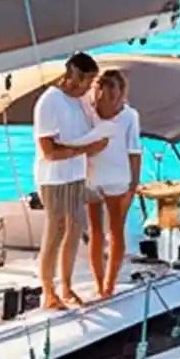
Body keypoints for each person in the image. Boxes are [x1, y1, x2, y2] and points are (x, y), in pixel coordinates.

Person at [33, 52, 108, 309]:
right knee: (56, 230)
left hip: (76, 175)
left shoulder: (81, 102)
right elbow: (49, 151)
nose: (88, 86)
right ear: (73, 77)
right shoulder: (50, 102)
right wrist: (85, 149)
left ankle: (66, 286)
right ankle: (48, 290)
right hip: (54, 179)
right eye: (86, 81)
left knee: (75, 229)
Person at [82, 68, 142, 298]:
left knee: (114, 231)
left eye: (111, 87)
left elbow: (134, 151)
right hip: (93, 177)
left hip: (117, 179)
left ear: (121, 91)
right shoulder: (88, 111)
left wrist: (133, 184)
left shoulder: (128, 116)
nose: (106, 91)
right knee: (98, 231)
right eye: (102, 86)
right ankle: (101, 285)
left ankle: (108, 284)